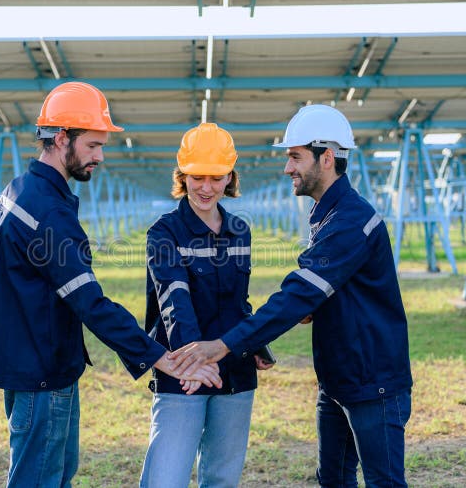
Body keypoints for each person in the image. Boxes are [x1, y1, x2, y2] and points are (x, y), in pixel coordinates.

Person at [0, 82, 221, 488]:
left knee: (53, 475)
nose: (100, 156)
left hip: (30, 364)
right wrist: (159, 356)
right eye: (93, 145)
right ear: (61, 139)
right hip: (43, 372)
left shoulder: (14, 193)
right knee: (41, 480)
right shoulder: (48, 214)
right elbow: (91, 303)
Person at [170, 105, 413, 487]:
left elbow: (298, 294)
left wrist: (225, 345)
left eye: (295, 157)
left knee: (384, 482)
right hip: (338, 380)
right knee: (332, 479)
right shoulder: (327, 214)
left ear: (327, 157)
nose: (288, 168)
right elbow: (318, 290)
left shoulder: (350, 221)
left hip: (373, 382)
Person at [138, 123, 274, 488]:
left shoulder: (240, 231)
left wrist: (256, 344)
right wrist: (194, 363)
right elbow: (173, 299)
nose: (206, 187)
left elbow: (238, 301)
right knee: (165, 480)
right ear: (182, 175)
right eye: (197, 177)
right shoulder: (164, 232)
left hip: (234, 372)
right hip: (182, 374)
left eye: (216, 177)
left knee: (221, 480)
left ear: (230, 176)